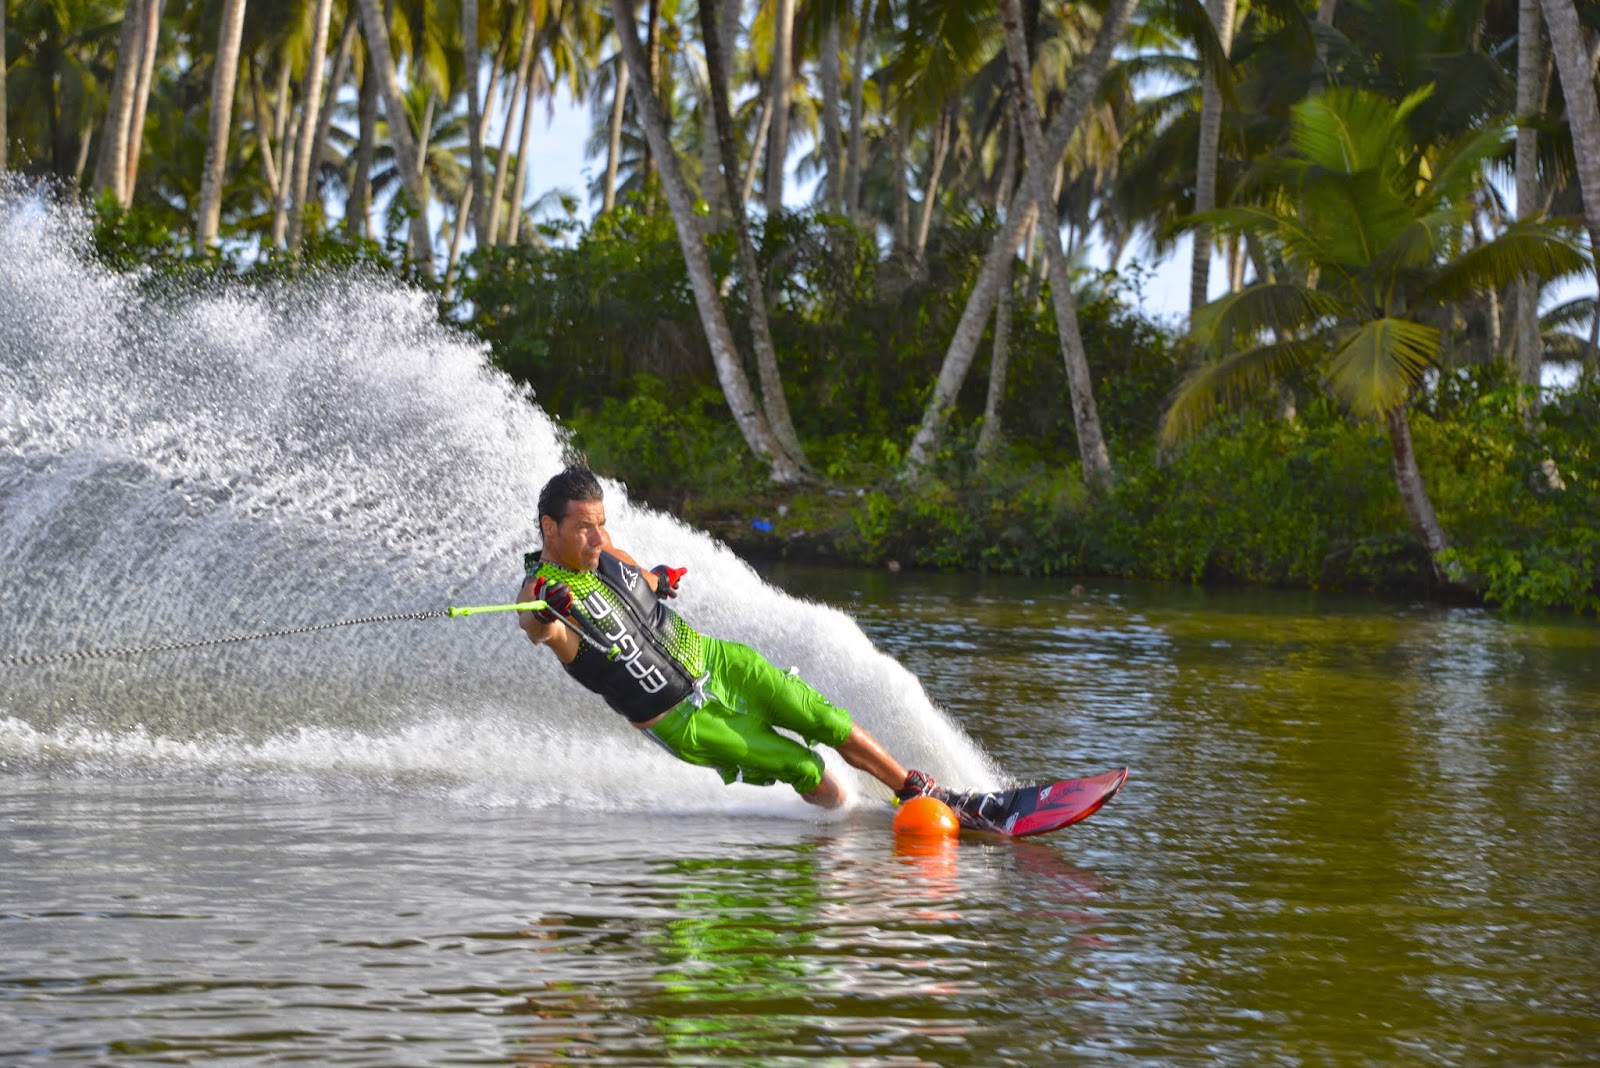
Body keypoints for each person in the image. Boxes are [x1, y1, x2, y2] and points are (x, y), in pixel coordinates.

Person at [516, 465, 957, 810]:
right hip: (680, 718)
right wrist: (547, 609)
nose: (596, 538)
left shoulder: (604, 547)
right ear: (549, 528)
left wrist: (661, 578)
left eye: (601, 524)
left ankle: (915, 790)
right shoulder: (541, 596)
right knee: (799, 763)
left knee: (826, 719)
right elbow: (538, 629)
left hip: (716, 660)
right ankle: (847, 827)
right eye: (583, 529)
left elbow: (644, 580)